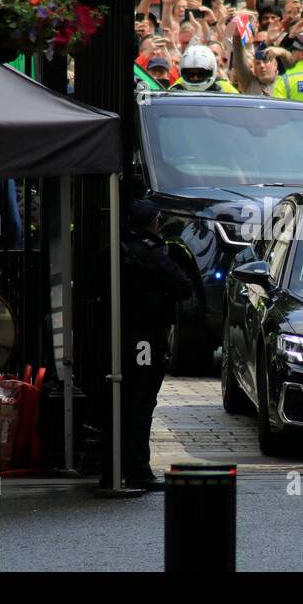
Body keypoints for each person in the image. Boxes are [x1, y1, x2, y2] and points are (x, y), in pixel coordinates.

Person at [103, 200, 194, 491]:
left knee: (117, 403)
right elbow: (183, 287)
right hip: (146, 337)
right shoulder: (154, 252)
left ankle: (112, 469)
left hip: (115, 335)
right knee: (141, 403)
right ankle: (138, 469)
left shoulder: (114, 248)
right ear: (154, 222)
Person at [169, 45, 239, 92]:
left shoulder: (224, 87)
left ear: (211, 72)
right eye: (191, 75)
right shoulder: (176, 89)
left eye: (200, 75)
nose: (195, 78)